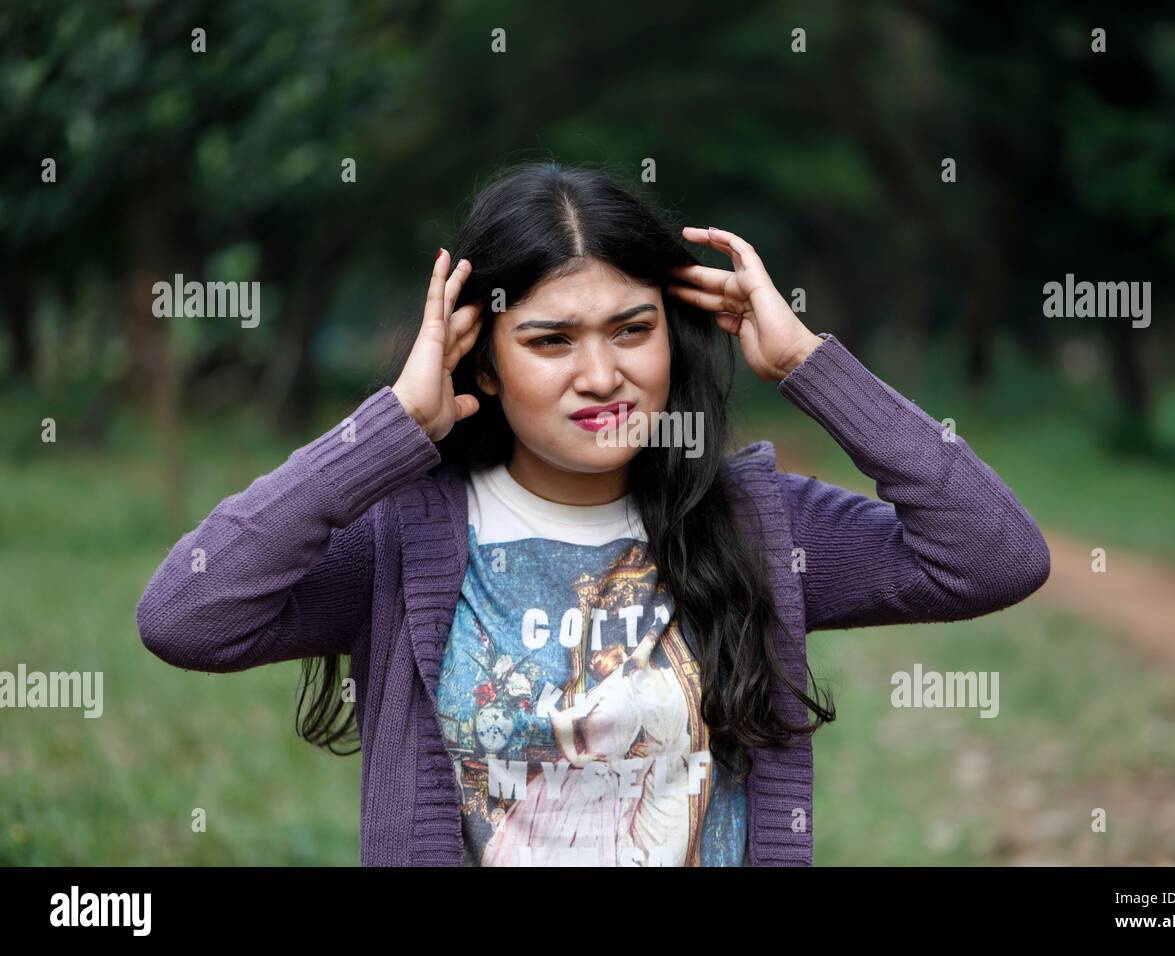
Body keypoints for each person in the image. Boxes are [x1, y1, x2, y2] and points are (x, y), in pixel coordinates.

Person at [136, 161, 1052, 866]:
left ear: (671, 330)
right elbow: (186, 615)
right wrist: (390, 431)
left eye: (631, 328)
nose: (603, 375)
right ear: (482, 364)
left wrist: (809, 364)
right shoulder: (405, 540)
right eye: (550, 341)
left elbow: (995, 555)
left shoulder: (750, 523)